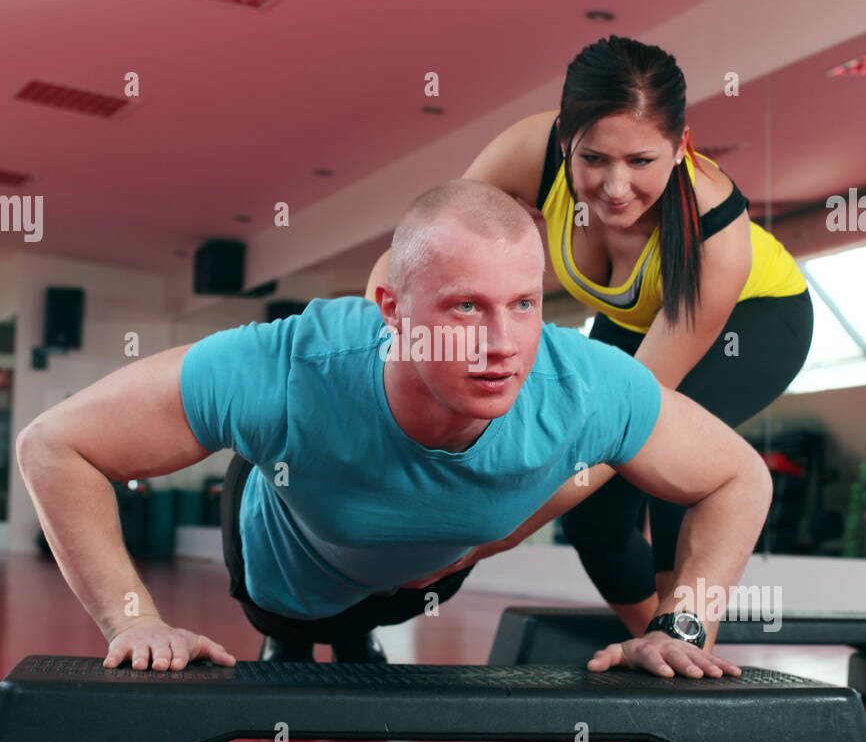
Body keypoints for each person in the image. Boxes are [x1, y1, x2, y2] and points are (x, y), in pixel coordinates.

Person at [16, 180, 770, 678]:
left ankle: (352, 634)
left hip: (422, 580)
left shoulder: (584, 384)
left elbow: (738, 476)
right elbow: (56, 443)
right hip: (284, 573)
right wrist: (133, 622)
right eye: (465, 307)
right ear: (390, 308)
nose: (502, 343)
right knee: (296, 626)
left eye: (524, 304)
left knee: (368, 627)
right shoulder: (287, 366)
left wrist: (684, 627)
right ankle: (307, 635)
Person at [366, 36, 812, 637]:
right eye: (594, 159)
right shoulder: (531, 152)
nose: (615, 186)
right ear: (565, 137)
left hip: (759, 320)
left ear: (681, 147)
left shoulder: (715, 240)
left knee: (675, 464)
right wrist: (375, 348)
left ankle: (686, 642)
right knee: (592, 523)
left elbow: (627, 418)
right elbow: (418, 251)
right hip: (631, 325)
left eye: (641, 162)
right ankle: (651, 647)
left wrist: (501, 535)